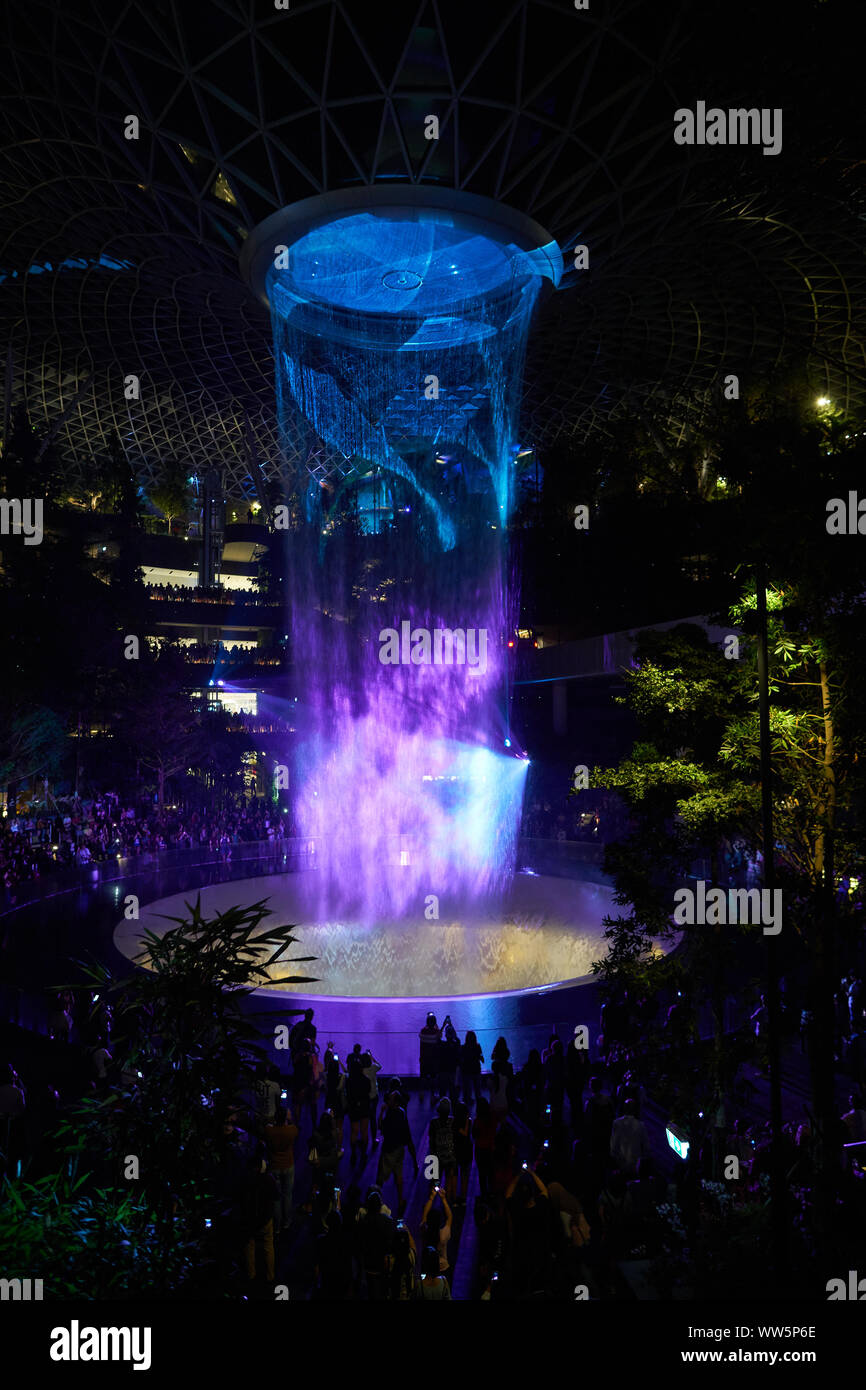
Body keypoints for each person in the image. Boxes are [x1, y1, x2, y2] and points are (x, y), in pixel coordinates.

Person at [377, 1088, 418, 1217]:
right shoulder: (402, 1112)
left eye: (390, 1099)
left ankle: (377, 1202)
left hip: (390, 1149)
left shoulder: (390, 1114)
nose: (388, 1100)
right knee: (398, 1174)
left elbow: (381, 1127)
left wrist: (382, 1112)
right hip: (400, 1148)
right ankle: (401, 1200)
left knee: (381, 1177)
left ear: (394, 1102)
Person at [265, 1105, 299, 1233]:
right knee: (288, 1195)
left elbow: (266, 1124)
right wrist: (289, 1120)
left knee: (276, 1198)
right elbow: (293, 1126)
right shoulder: (292, 1130)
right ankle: (287, 1222)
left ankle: (277, 1226)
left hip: (274, 1166)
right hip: (288, 1165)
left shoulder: (269, 1131)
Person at [356, 1188, 395, 1299]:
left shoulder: (363, 1222)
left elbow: (360, 1243)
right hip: (383, 1262)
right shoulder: (388, 1221)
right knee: (383, 1290)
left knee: (371, 1290)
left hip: (369, 1263)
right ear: (380, 1206)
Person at [609, 1097, 650, 1177]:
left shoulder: (617, 1123)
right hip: (635, 1165)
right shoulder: (640, 1125)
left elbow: (613, 1144)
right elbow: (646, 1147)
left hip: (620, 1163)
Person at [420, 1184, 453, 1280]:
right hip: (443, 1268)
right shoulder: (443, 1234)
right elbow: (450, 1217)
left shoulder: (425, 1231)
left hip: (428, 1268)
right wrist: (443, 1199)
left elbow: (424, 1216)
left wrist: (431, 1198)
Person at [428, 1097, 457, 1202]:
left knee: (436, 1180)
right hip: (450, 1156)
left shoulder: (433, 1123)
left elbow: (431, 1140)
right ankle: (446, 1201)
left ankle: (433, 1197)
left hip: (437, 1156)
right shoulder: (452, 1121)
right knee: (449, 1178)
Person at [473, 1096, 497, 1196]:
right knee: (491, 1172)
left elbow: (474, 1135)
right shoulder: (492, 1119)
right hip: (491, 1148)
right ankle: (492, 1192)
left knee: (482, 1174)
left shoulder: (478, 1121)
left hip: (480, 1149)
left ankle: (484, 1194)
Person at [454, 1100, 473, 1204]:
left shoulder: (454, 1122)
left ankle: (457, 1196)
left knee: (457, 1174)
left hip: (458, 1149)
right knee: (464, 1174)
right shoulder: (467, 1121)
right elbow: (465, 1133)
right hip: (465, 1149)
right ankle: (463, 1197)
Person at [362, 1050, 383, 1144]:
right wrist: (371, 1056)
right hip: (374, 1096)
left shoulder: (360, 1070)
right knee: (373, 1117)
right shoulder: (373, 1068)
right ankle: (374, 1138)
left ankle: (363, 1138)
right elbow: (379, 1065)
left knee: (363, 1118)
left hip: (364, 1097)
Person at [419, 1013, 442, 1099]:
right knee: (433, 1078)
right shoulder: (436, 1032)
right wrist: (437, 1026)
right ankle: (432, 1094)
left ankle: (421, 1093)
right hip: (433, 1060)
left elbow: (421, 1034)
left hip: (424, 1059)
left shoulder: (423, 1031)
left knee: (423, 1077)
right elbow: (440, 1036)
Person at [460, 1030, 484, 1104]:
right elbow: (481, 1057)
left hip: (466, 1070)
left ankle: (467, 1100)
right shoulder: (477, 1046)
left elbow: (461, 1058)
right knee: (477, 1088)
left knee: (467, 1088)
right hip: (476, 1069)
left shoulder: (463, 1047)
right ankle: (479, 1101)